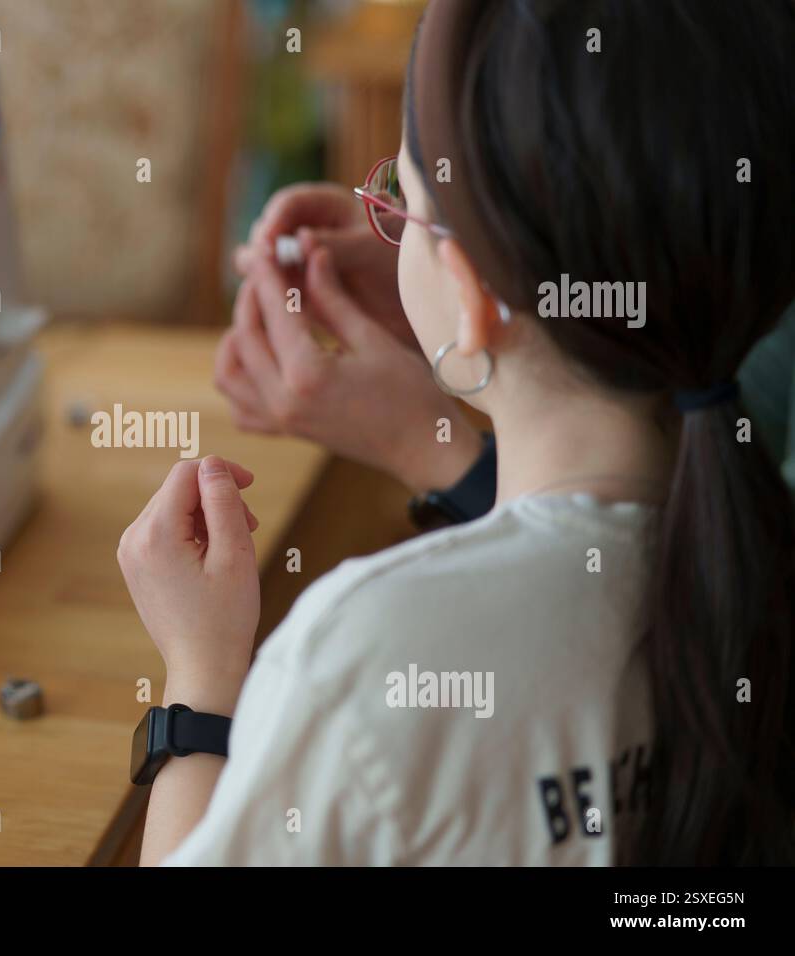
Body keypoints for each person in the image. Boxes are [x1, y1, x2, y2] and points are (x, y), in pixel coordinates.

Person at [117, 0, 795, 865]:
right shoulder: (757, 543)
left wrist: (200, 678)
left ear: (472, 291)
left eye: (401, 195)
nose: (387, 216)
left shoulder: (366, 655)